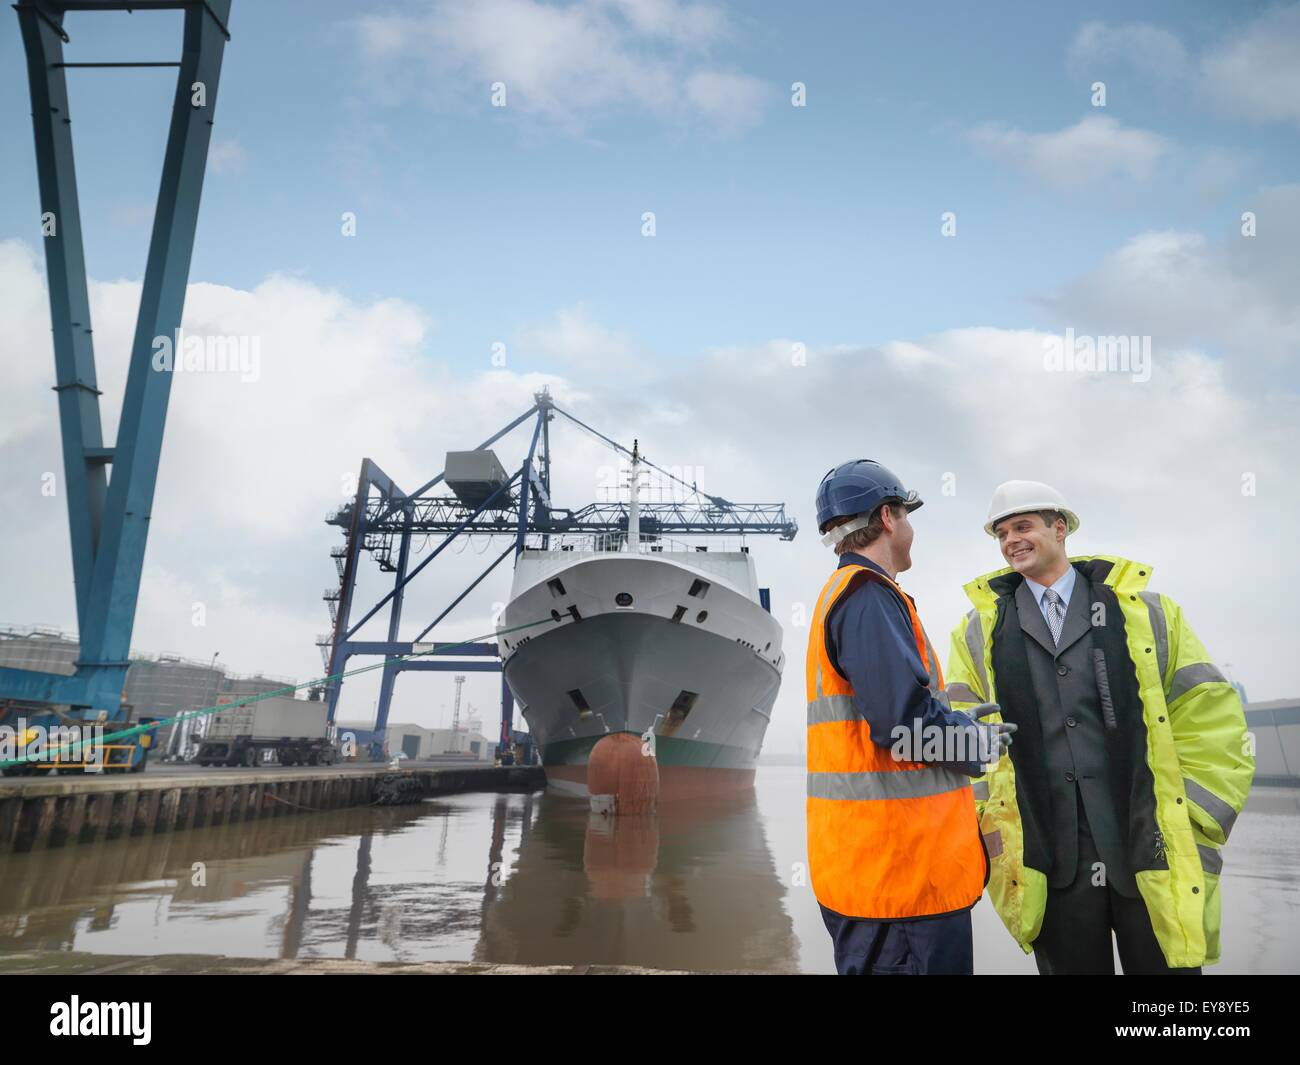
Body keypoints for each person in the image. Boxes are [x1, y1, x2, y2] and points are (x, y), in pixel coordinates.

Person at [944, 480, 1254, 974]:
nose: (1010, 541)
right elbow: (962, 739)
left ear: (1060, 529)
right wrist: (988, 828)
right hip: (1050, 858)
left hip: (1148, 845)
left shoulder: (1147, 612)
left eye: (1022, 526)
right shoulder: (977, 632)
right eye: (1001, 533)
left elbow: (1211, 716)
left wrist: (1194, 815)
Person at [806, 459, 1015, 975]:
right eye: (908, 514)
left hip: (876, 872)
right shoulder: (868, 596)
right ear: (888, 517)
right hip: (900, 882)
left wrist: (953, 719)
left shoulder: (846, 594)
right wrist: (980, 744)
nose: (913, 529)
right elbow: (903, 725)